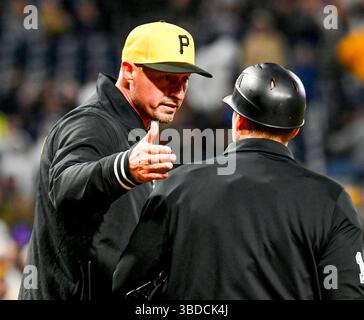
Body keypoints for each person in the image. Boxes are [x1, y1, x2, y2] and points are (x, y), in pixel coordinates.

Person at [112, 63, 364, 300]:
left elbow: (126, 283)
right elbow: (348, 294)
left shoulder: (176, 185)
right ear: (296, 130)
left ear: (237, 119)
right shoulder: (331, 198)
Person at [18, 21, 212, 300]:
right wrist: (124, 168)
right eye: (167, 77)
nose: (178, 92)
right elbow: (64, 183)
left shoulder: (136, 133)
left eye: (184, 81)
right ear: (129, 70)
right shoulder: (92, 122)